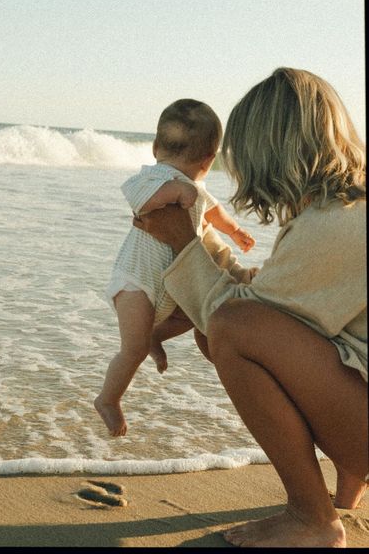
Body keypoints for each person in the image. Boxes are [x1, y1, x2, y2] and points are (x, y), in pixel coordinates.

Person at [134, 68, 367, 548]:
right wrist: (199, 238)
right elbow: (276, 301)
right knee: (225, 326)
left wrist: (183, 240)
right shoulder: (346, 204)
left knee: (232, 329)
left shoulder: (340, 222)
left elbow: (242, 317)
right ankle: (348, 478)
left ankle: (313, 519)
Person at [95, 99, 256, 437]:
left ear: (157, 145)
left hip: (171, 286)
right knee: (133, 349)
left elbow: (214, 214)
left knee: (193, 314)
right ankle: (109, 400)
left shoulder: (198, 190)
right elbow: (136, 198)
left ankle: (156, 334)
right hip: (136, 283)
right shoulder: (153, 176)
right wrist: (174, 190)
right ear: (210, 160)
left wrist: (235, 231)